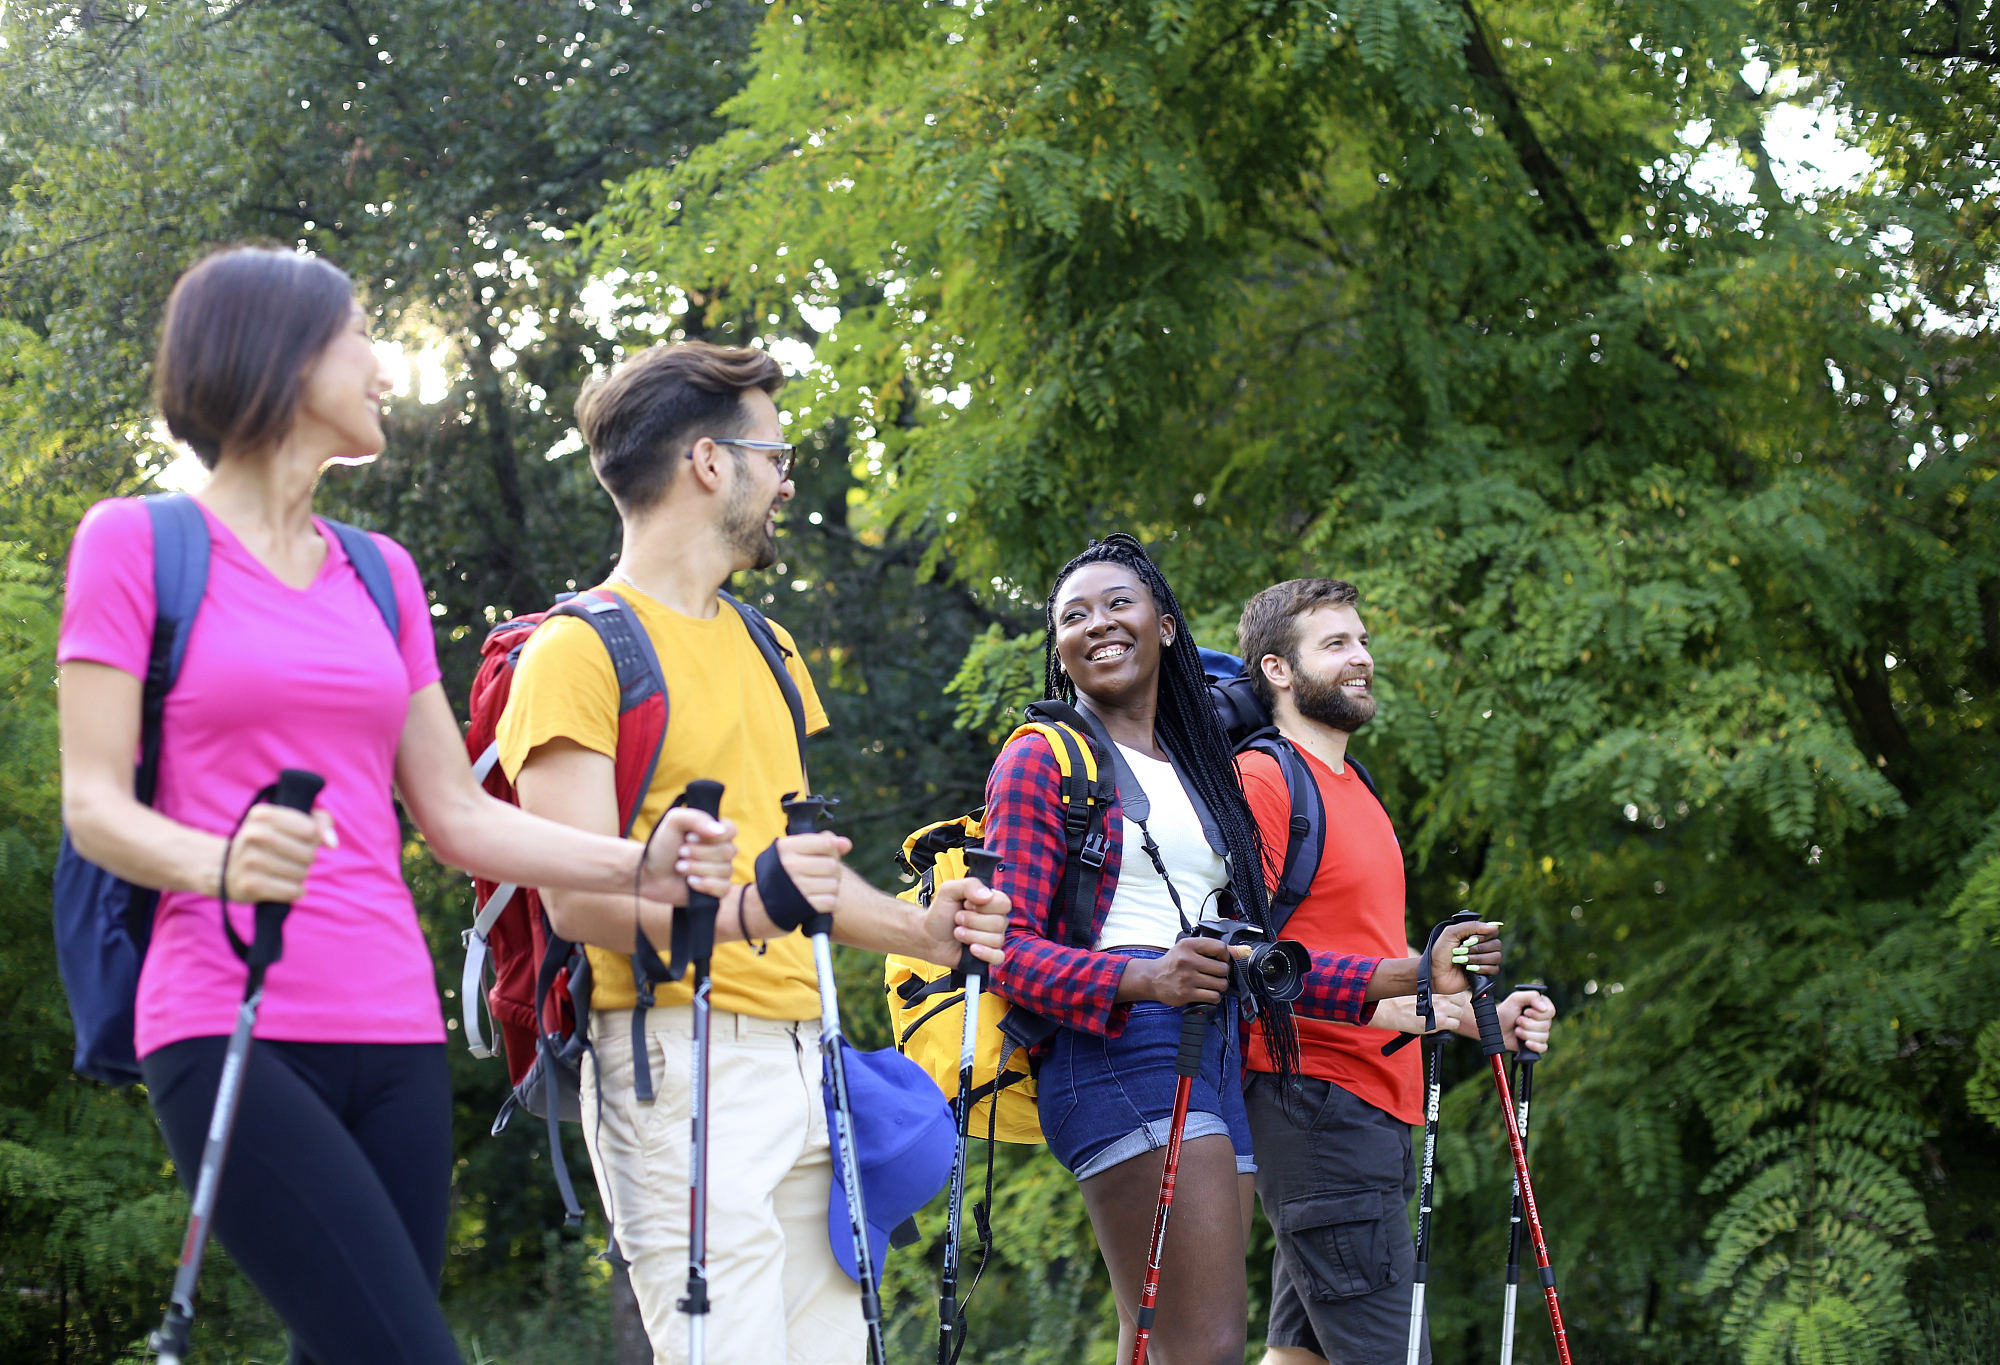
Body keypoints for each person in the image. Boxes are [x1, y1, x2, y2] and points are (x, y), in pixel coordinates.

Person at [54, 246, 817, 1365]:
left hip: (394, 1028)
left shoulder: (378, 573)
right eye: (359, 334)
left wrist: (639, 865)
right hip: (229, 1015)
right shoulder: (136, 544)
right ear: (276, 356)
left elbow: (457, 817)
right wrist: (221, 861)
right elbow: (91, 805)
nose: (380, 363)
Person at [495, 340, 1009, 1365]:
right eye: (773, 454)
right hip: (670, 1062)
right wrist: (739, 916)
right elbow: (576, 903)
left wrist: (921, 928)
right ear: (708, 462)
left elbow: (797, 874)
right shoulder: (576, 652)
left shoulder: (768, 649)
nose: (785, 478)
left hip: (801, 1059)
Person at [984, 536, 1500, 1365]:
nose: (1098, 624)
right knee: (1202, 1346)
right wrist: (1143, 975)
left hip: (1215, 1049)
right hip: (1115, 1052)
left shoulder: (1198, 772)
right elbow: (1003, 952)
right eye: (1072, 616)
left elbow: (1267, 964)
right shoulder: (1040, 758)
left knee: (1165, 1342)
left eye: (1119, 602)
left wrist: (1417, 973)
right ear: (1059, 648)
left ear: (1168, 626)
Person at [1234, 577, 1557, 1365]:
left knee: (1297, 1358)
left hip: (1365, 1110)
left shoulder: (1357, 791)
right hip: (1318, 1109)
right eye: (1336, 643)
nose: (1362, 657)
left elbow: (1377, 983)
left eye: (1364, 639)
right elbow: (1252, 968)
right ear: (1278, 670)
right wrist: (1421, 973)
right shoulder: (1265, 781)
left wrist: (1482, 1016)